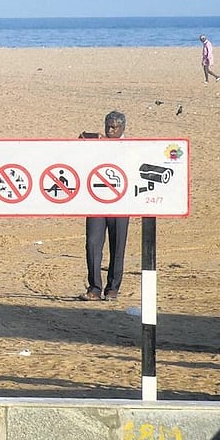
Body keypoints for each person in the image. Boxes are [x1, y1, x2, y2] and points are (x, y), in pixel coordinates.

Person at [79, 111, 129, 301]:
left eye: (114, 127)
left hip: (121, 203)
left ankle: (113, 288)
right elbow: (79, 139)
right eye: (108, 126)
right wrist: (95, 137)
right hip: (97, 202)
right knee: (92, 244)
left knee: (117, 247)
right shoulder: (97, 144)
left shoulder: (130, 147)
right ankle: (94, 287)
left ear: (123, 128)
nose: (110, 130)